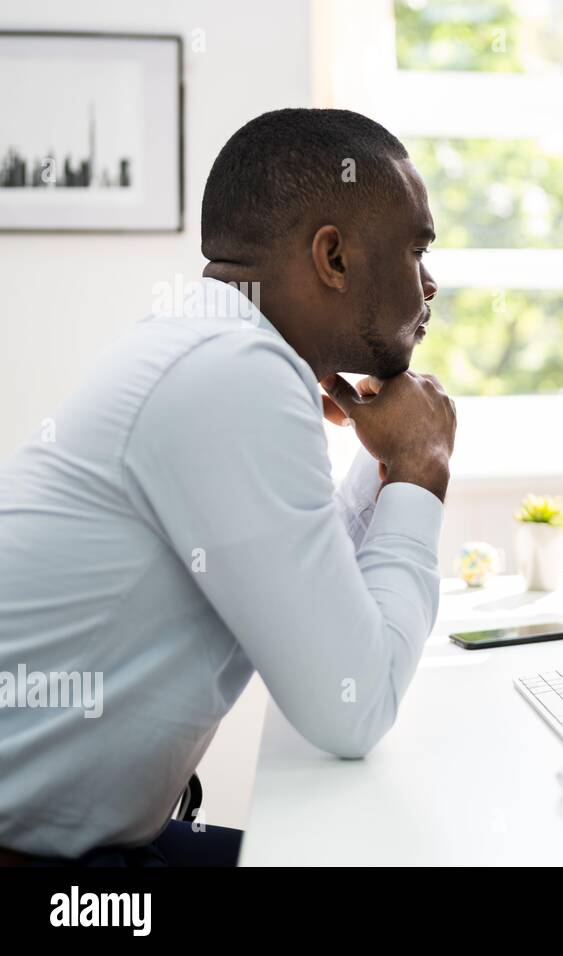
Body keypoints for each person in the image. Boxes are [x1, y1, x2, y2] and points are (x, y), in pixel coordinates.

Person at [0, 109, 456, 865]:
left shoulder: (212, 343)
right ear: (333, 257)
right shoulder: (231, 371)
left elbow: (315, 589)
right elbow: (354, 707)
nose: (430, 282)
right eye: (416, 250)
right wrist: (419, 472)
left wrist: (386, 463)